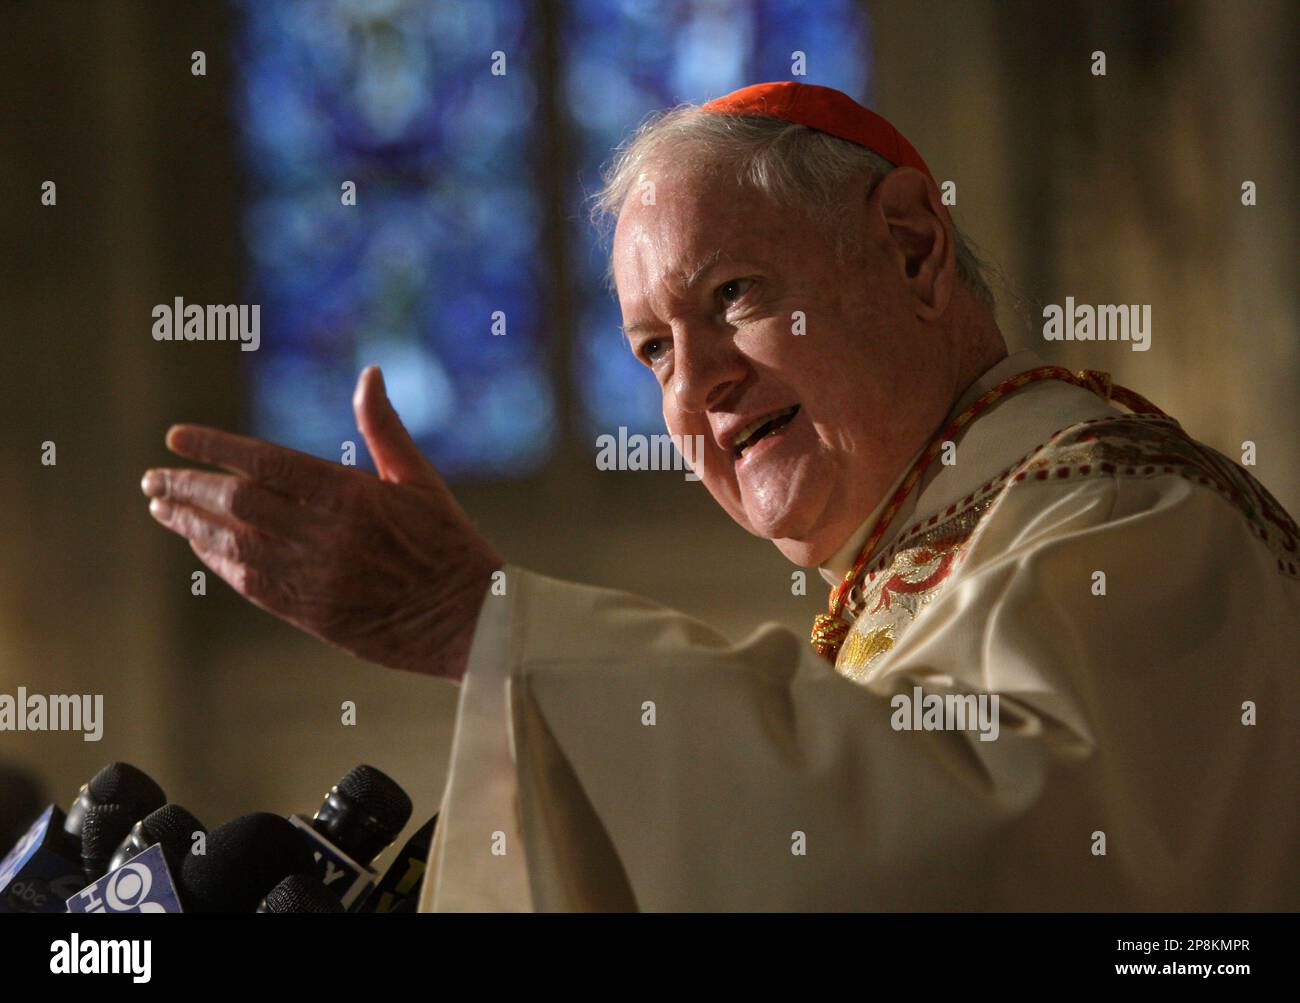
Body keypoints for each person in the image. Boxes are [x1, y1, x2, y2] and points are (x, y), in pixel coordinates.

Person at [140, 82, 1299, 911]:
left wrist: (475, 616)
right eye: (651, 350)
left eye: (733, 295)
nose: (694, 386)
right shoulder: (942, 549)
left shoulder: (1125, 513)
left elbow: (978, 857)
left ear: (909, 248)